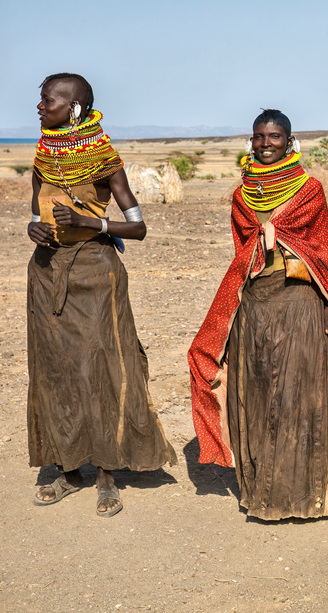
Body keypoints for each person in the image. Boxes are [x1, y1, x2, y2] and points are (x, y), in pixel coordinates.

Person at [188, 109, 328, 521]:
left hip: (299, 303)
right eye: (259, 136)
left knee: (299, 398)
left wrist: (325, 305)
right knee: (258, 398)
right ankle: (264, 493)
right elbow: (243, 253)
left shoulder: (309, 190)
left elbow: (322, 251)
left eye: (274, 136)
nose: (265, 143)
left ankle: (308, 495)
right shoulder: (242, 196)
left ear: (290, 142)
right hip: (255, 304)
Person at [27, 73, 176, 517]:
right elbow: (35, 212)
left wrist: (90, 223)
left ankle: (107, 472)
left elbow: (139, 227)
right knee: (55, 370)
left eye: (48, 100)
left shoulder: (106, 162)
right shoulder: (43, 158)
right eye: (40, 99)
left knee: (100, 367)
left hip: (96, 272)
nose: (40, 106)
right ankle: (68, 469)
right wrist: (34, 229)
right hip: (46, 273)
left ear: (73, 108)